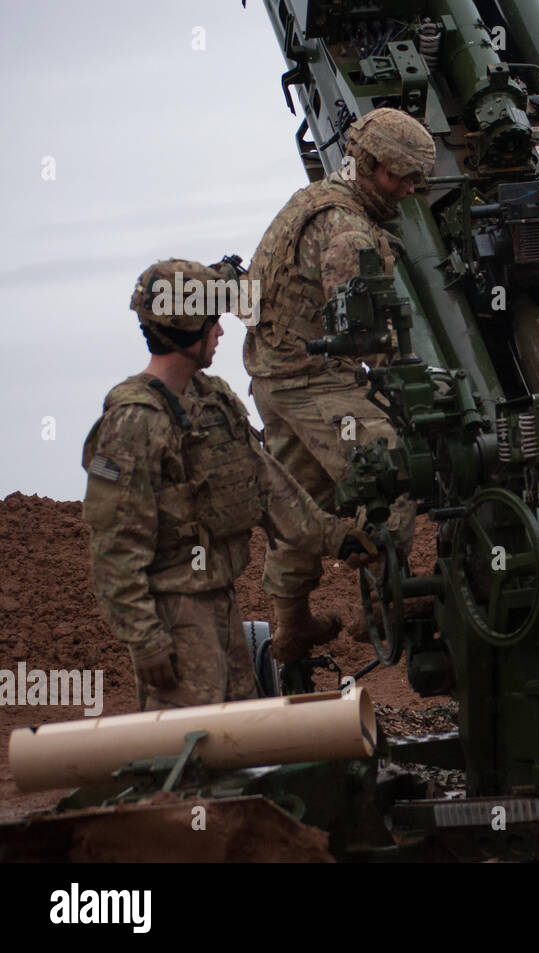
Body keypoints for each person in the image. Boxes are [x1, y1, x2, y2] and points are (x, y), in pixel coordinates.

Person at [83, 259, 377, 710]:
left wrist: (339, 539)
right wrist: (144, 638)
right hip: (175, 616)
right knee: (190, 754)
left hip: (222, 605)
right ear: (187, 329)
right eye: (212, 322)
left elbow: (268, 486)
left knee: (239, 746)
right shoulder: (133, 422)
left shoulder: (213, 398)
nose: (220, 332)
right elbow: (114, 545)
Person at [244, 108, 435, 662]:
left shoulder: (312, 200)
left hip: (274, 378)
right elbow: (358, 331)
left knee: (299, 497)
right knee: (387, 470)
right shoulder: (347, 229)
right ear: (369, 164)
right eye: (400, 177)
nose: (409, 190)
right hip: (317, 382)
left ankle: (290, 623)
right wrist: (405, 367)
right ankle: (381, 601)